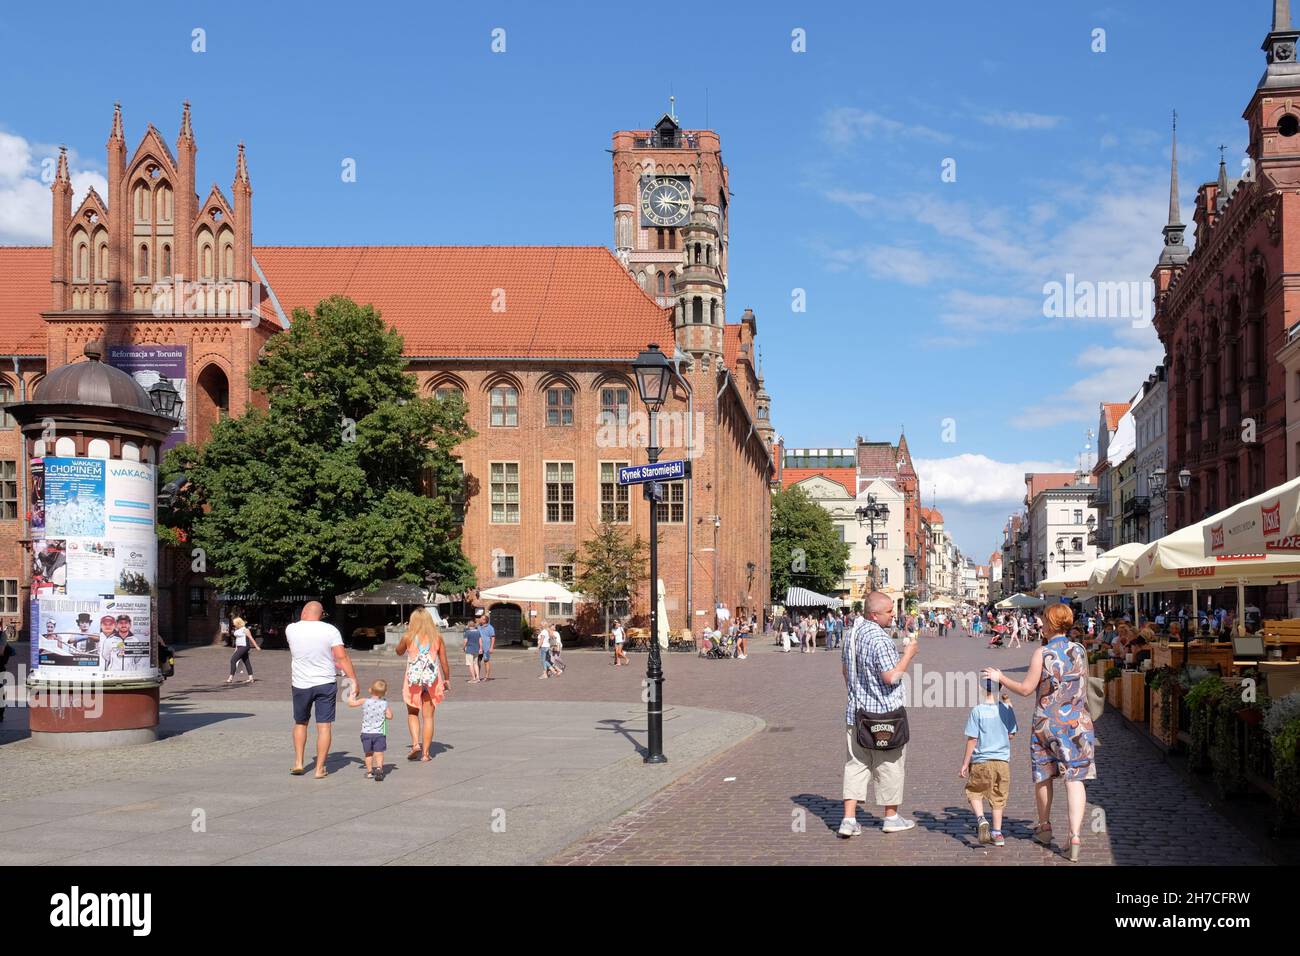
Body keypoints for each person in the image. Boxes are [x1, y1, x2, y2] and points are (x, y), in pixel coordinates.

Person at [982, 602, 1095, 862]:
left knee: (1043, 775)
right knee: (1075, 779)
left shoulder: (1042, 653)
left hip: (1047, 723)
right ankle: (1074, 836)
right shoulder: (1079, 649)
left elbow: (1025, 689)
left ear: (1050, 623)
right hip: (1078, 722)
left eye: (1043, 620)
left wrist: (1001, 677)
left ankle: (1044, 827)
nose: (1040, 624)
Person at [838, 591, 920, 838]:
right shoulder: (880, 639)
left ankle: (849, 819)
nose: (893, 615)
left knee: (856, 764)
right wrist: (909, 655)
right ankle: (891, 817)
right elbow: (890, 676)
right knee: (890, 765)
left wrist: (858, 692)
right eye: (889, 612)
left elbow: (845, 671)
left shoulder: (851, 635)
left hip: (856, 713)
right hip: (885, 715)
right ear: (874, 614)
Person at [287, 601, 358, 778]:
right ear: (320, 614)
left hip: (300, 683)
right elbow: (341, 657)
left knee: (300, 722)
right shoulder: (330, 630)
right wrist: (353, 680)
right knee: (324, 726)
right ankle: (319, 769)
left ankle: (298, 762)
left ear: (303, 613)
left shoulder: (291, 629)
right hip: (325, 682)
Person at [958, 677, 1019, 847]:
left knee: (974, 791)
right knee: (999, 796)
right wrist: (1010, 707)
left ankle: (981, 819)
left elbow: (972, 739)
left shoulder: (977, 711)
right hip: (1002, 762)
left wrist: (965, 763)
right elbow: (1011, 735)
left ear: (981, 689)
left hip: (981, 761)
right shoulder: (1006, 710)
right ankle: (997, 833)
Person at [395, 608, 450, 762]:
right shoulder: (437, 637)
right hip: (431, 680)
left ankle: (415, 744)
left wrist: (405, 639)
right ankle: (426, 754)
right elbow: (444, 661)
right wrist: (447, 679)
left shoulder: (408, 637)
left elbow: (398, 652)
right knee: (428, 717)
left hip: (414, 680)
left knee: (413, 713)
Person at [347, 678, 393, 781]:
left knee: (368, 753)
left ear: (370, 690)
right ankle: (379, 768)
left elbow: (351, 704)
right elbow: (390, 716)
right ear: (385, 693)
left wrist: (352, 695)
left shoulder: (364, 701)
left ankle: (369, 772)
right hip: (379, 733)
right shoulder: (384, 703)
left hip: (366, 733)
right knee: (379, 752)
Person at [227, 616, 258, 684]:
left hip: (244, 646)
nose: (233, 624)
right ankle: (251, 678)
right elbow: (237, 640)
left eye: (234, 623)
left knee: (233, 660)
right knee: (246, 662)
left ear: (238, 623)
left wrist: (257, 647)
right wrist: (236, 648)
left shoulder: (245, 630)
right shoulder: (237, 630)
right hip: (240, 647)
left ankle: (230, 678)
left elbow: (251, 638)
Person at [477, 609, 497, 680]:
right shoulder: (478, 627)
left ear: (485, 620)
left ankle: (486, 676)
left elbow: (493, 638)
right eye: (480, 618)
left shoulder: (490, 628)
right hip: (479, 647)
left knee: (486, 661)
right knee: (477, 661)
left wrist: (491, 647)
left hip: (486, 647)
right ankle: (477, 676)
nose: (480, 620)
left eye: (482, 619)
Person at [462, 616, 482, 684]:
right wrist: (481, 648)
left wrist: (463, 647)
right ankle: (478, 678)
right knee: (476, 664)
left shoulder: (467, 632)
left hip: (469, 649)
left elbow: (465, 641)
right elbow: (480, 641)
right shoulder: (478, 632)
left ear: (468, 625)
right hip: (476, 649)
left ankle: (473, 678)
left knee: (470, 664)